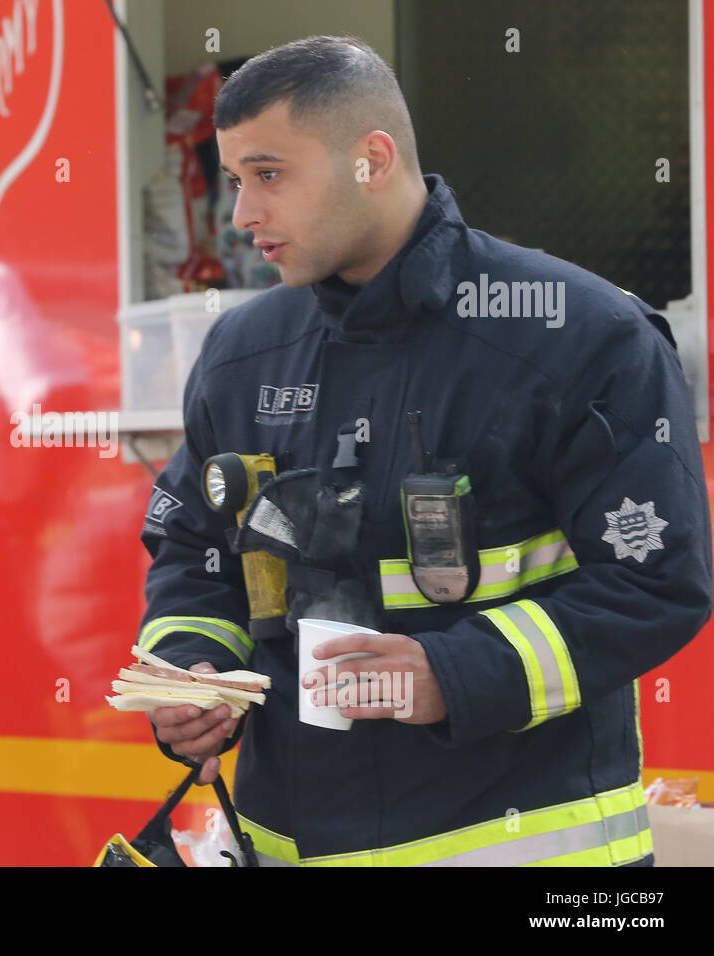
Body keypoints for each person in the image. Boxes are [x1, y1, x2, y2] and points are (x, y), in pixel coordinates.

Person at [141, 36, 713, 867]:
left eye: (269, 175)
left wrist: (455, 671)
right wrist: (192, 671)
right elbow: (192, 549)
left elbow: (657, 580)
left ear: (372, 159)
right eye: (235, 182)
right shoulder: (240, 357)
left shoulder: (581, 336)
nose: (242, 216)